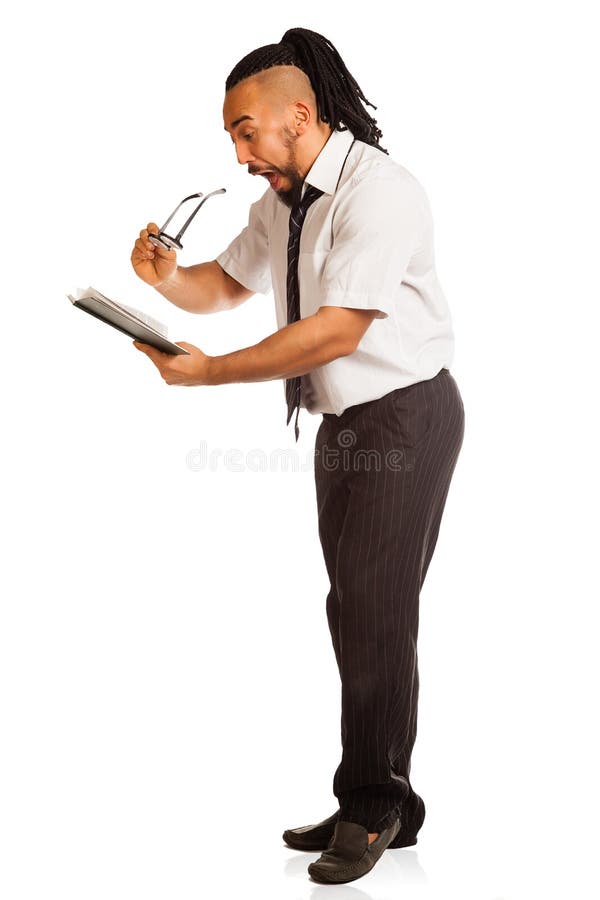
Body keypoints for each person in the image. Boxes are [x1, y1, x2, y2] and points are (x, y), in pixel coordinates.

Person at [130, 26, 465, 886]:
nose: (240, 152)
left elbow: (334, 330)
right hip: (344, 424)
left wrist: (207, 379)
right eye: (233, 137)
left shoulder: (378, 193)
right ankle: (383, 794)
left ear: (298, 116)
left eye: (246, 131)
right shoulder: (285, 200)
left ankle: (377, 805)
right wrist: (163, 277)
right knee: (351, 608)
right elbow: (222, 286)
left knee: (377, 610)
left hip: (405, 417)